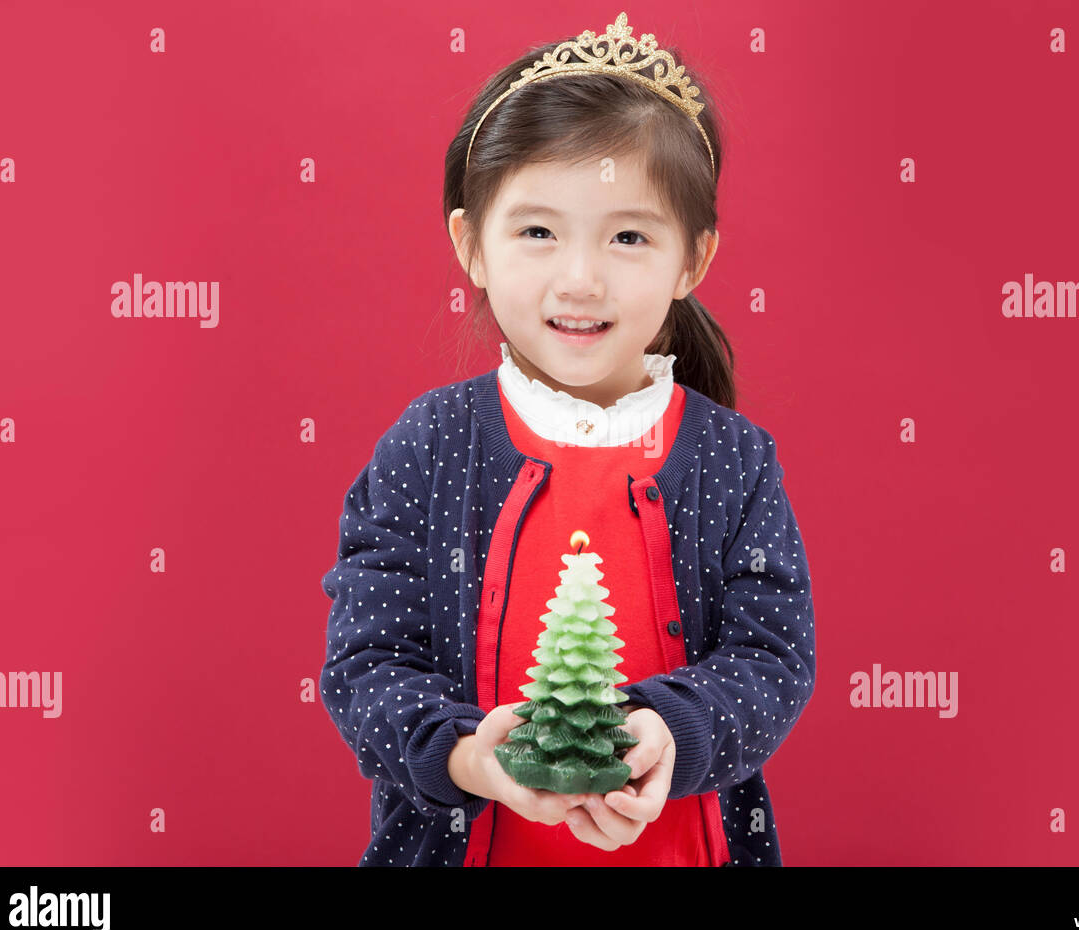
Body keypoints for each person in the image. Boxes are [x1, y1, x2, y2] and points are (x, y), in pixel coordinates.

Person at [320, 11, 816, 866]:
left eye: (629, 236)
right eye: (538, 231)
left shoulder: (735, 459)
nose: (580, 278)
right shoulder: (425, 447)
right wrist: (469, 755)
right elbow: (366, 662)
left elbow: (773, 657)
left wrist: (672, 731)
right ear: (471, 243)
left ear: (691, 261)